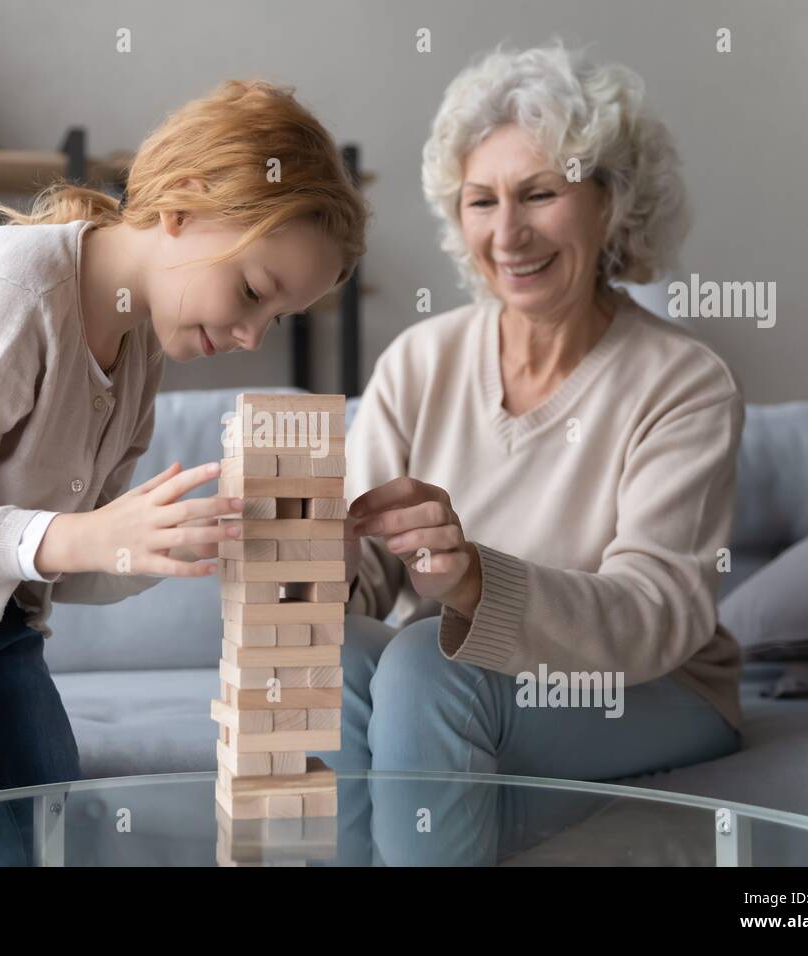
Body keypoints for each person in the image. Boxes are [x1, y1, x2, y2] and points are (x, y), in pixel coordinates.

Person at [0, 78, 367, 862]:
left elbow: (70, 562)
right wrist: (87, 537)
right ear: (181, 207)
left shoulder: (142, 353)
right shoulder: (14, 291)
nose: (254, 334)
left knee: (49, 824)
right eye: (252, 290)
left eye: (275, 317)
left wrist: (178, 541)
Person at [314, 42, 743, 856]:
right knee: (327, 650)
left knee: (424, 664)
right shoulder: (418, 360)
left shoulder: (685, 382)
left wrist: (476, 580)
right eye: (481, 201)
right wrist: (317, 554)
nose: (507, 234)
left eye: (539, 194)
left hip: (650, 684)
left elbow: (659, 613)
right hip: (453, 684)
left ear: (610, 203)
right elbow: (361, 583)